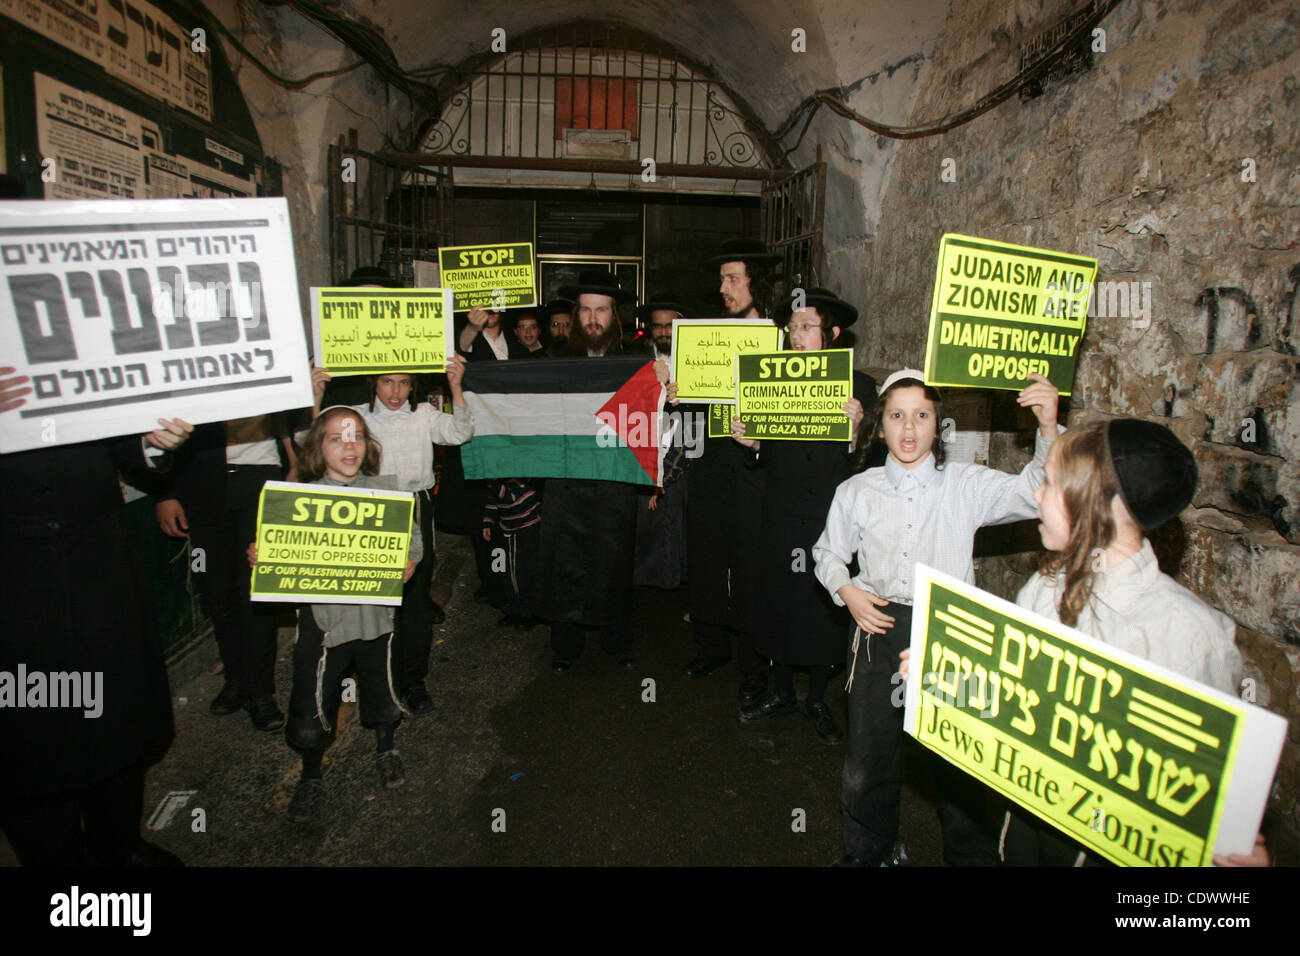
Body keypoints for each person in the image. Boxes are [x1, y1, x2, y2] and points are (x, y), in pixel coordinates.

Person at [813, 367, 1062, 866]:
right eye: (897, 416)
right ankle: (869, 852)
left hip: (950, 631)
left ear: (938, 425)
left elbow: (1033, 489)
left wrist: (1049, 427)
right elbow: (827, 553)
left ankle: (971, 857)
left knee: (958, 762)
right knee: (869, 759)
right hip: (878, 628)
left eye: (921, 415)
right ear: (879, 426)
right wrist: (847, 592)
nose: (909, 429)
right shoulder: (857, 490)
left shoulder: (965, 484)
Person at [993, 419, 1269, 866]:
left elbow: (1211, 784)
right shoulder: (1044, 588)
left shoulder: (1188, 635)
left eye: (1049, 482)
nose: (1037, 495)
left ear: (1101, 504)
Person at [0, 364, 194, 865]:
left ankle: (118, 846)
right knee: (27, 737)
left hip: (99, 569)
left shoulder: (68, 325)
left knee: (116, 717)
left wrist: (153, 443)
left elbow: (124, 446)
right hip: (13, 586)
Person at [256, 406, 421, 823]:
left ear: (368, 445)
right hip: (324, 625)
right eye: (336, 437)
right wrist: (266, 557)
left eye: (357, 436)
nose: (349, 445)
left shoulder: (388, 495)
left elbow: (413, 539)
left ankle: (386, 747)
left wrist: (411, 559)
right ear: (317, 447)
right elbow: (278, 557)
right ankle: (310, 775)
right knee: (312, 702)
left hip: (376, 617)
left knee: (382, 688)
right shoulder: (298, 501)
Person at [733, 289, 875, 744]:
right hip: (779, 511)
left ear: (832, 333)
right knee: (777, 600)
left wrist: (855, 433)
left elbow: (868, 466)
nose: (797, 336)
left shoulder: (860, 388)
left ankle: (817, 698)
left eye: (807, 326)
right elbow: (765, 456)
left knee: (820, 604)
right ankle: (780, 692)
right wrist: (753, 445)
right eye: (792, 328)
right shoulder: (772, 383)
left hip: (830, 516)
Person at [308, 355, 473, 717]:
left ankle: (413, 682)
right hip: (371, 509)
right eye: (387, 382)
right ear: (374, 383)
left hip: (415, 506)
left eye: (403, 382)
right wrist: (315, 397)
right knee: (372, 603)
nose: (396, 391)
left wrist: (456, 387)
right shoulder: (358, 418)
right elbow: (313, 443)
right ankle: (376, 680)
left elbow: (460, 433)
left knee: (413, 601)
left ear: (413, 385)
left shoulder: (423, 415)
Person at [536, 270, 667, 673]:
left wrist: (664, 386)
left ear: (615, 316)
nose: (594, 318)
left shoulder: (636, 362)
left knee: (614, 558)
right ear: (576, 316)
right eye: (587, 310)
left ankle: (617, 639)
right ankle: (566, 645)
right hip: (565, 479)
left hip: (614, 479)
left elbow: (655, 427)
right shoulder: (551, 361)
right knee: (565, 560)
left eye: (603, 310)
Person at [681, 239, 780, 706]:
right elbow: (697, 410)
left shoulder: (782, 342)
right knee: (705, 562)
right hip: (711, 469)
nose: (723, 288)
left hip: (756, 476)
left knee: (750, 571)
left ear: (755, 282)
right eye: (721, 279)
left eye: (732, 278)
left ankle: (754, 668)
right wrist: (680, 395)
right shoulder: (709, 339)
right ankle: (710, 648)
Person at [154, 415, 296, 731]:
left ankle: (261, 692)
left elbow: (289, 417)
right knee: (217, 591)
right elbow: (164, 421)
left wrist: (296, 465)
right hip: (200, 482)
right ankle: (236, 679)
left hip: (262, 478)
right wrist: (165, 492)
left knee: (257, 591)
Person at [633, 292, 694, 589]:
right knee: (642, 536)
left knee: (678, 535)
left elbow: (696, 423)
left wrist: (666, 474)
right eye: (658, 326)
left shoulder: (696, 365)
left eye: (670, 326)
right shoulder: (635, 362)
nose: (664, 332)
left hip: (683, 460)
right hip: (642, 461)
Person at [482, 478, 542, 628]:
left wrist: (494, 484)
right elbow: (492, 500)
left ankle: (527, 613)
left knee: (524, 574)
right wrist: (488, 522)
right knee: (505, 572)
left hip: (526, 531)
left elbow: (515, 503)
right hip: (506, 531)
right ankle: (514, 609)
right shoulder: (500, 483)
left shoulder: (523, 481)